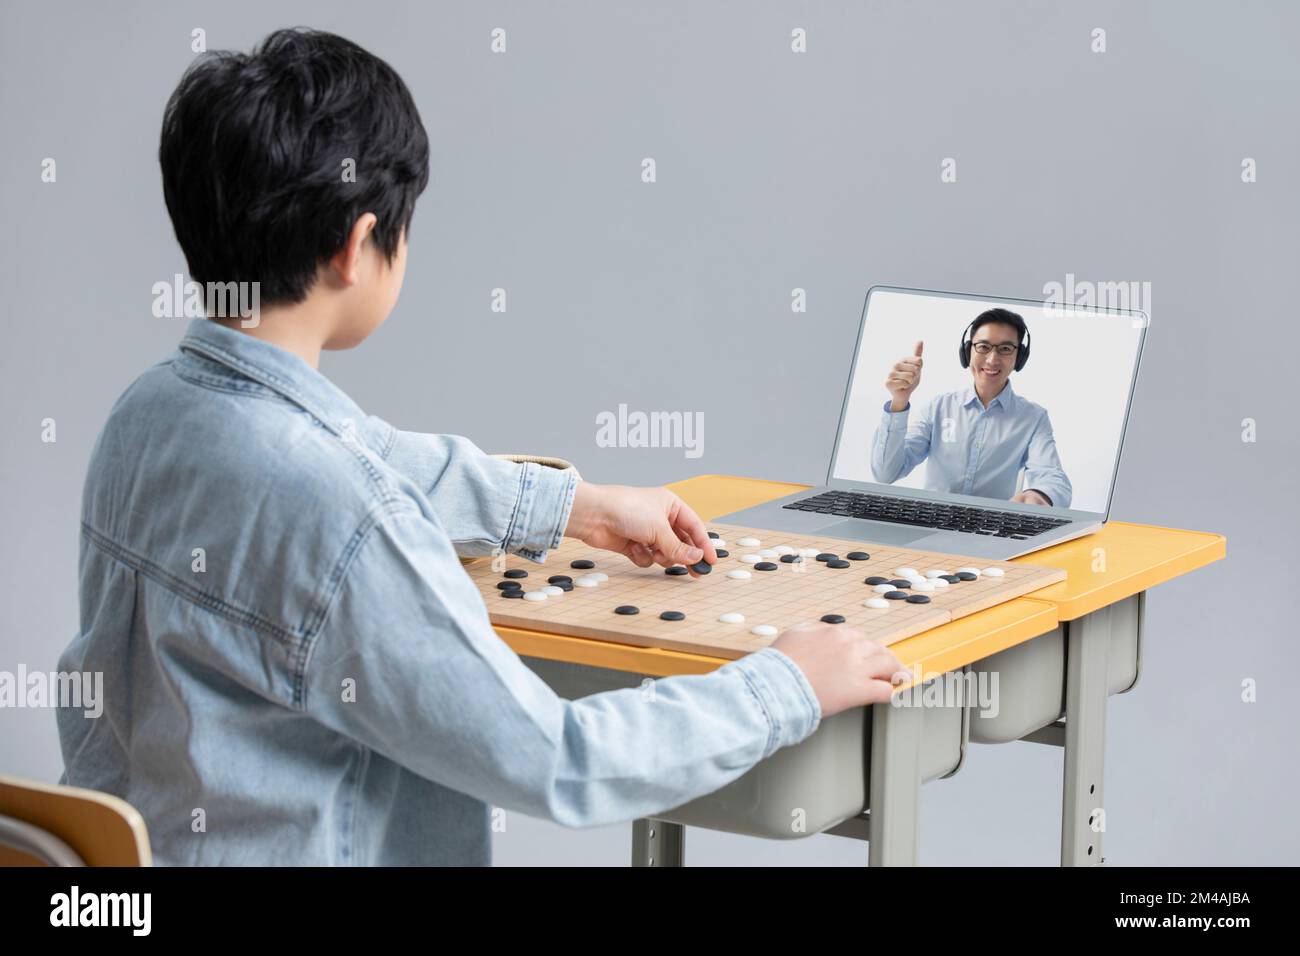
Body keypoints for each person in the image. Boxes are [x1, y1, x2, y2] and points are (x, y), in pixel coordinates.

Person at [55, 29, 907, 865]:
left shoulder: (150, 414)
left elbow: (359, 454)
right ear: (358, 247)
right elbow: (557, 763)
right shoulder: (347, 515)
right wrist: (783, 685)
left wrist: (577, 506)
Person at [871, 308, 1072, 508]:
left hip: (990, 530)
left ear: (1019, 357)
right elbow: (885, 474)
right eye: (983, 347)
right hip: (929, 520)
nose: (992, 359)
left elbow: (1052, 477)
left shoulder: (1033, 418)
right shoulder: (938, 407)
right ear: (968, 351)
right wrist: (899, 401)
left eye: (1005, 349)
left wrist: (1038, 495)